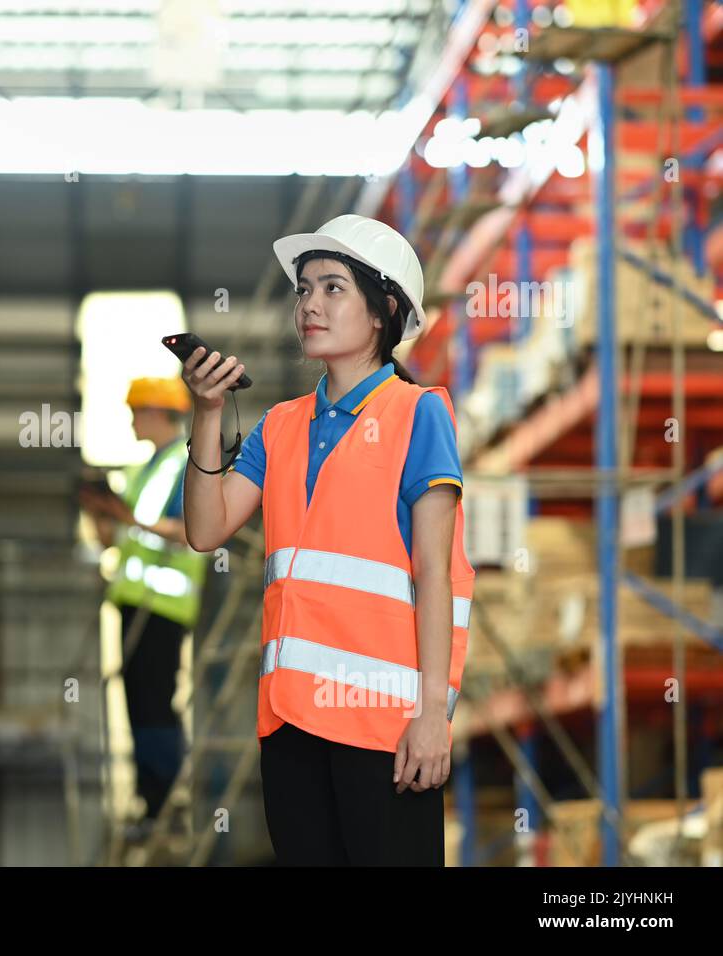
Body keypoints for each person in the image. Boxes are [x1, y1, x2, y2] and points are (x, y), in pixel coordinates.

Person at [180, 214, 476, 866]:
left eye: (333, 288)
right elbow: (205, 529)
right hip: (289, 724)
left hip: (384, 729)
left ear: (384, 310)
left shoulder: (417, 413)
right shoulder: (281, 426)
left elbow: (436, 574)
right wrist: (206, 415)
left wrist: (434, 715)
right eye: (304, 289)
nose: (309, 303)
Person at [79, 377, 208, 838]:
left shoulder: (184, 465)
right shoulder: (141, 471)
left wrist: (126, 518)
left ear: (158, 414)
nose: (133, 420)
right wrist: (101, 514)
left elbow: (191, 529)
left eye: (138, 411)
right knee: (138, 706)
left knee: (154, 706)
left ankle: (164, 804)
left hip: (164, 606)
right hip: (134, 603)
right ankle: (148, 802)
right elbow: (122, 537)